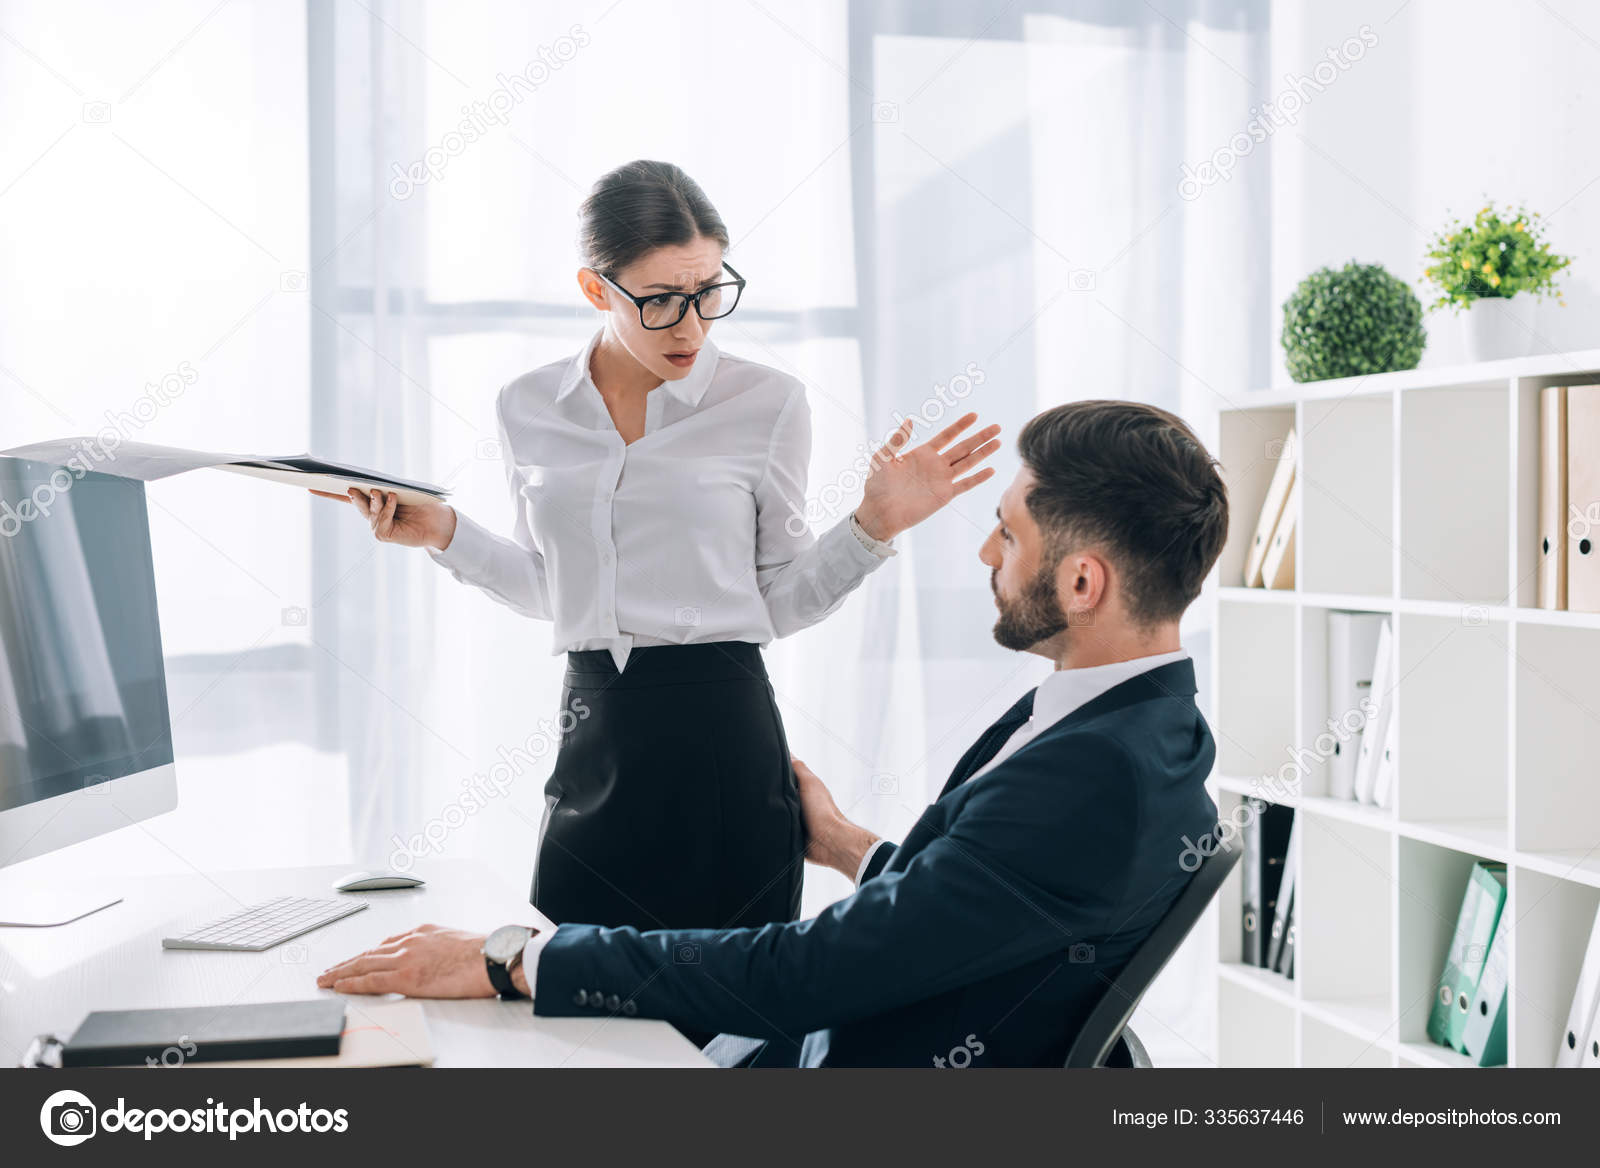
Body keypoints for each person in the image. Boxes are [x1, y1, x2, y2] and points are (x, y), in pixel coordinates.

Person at [319, 399, 1229, 1068]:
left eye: (1007, 535)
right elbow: (982, 903)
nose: (987, 554)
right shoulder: (1152, 724)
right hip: (841, 1026)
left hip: (836, 1061)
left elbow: (810, 971)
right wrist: (844, 844)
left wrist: (512, 957)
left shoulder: (1093, 778)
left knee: (488, 1057)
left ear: (1082, 585)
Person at [315, 160, 999, 940]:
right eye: (662, 299)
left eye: (710, 292)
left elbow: (775, 602)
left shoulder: (767, 403)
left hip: (720, 732)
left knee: (723, 1021)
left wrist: (872, 527)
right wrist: (443, 533)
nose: (691, 325)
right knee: (567, 1005)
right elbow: (558, 592)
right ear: (595, 289)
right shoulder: (526, 406)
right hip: (591, 731)